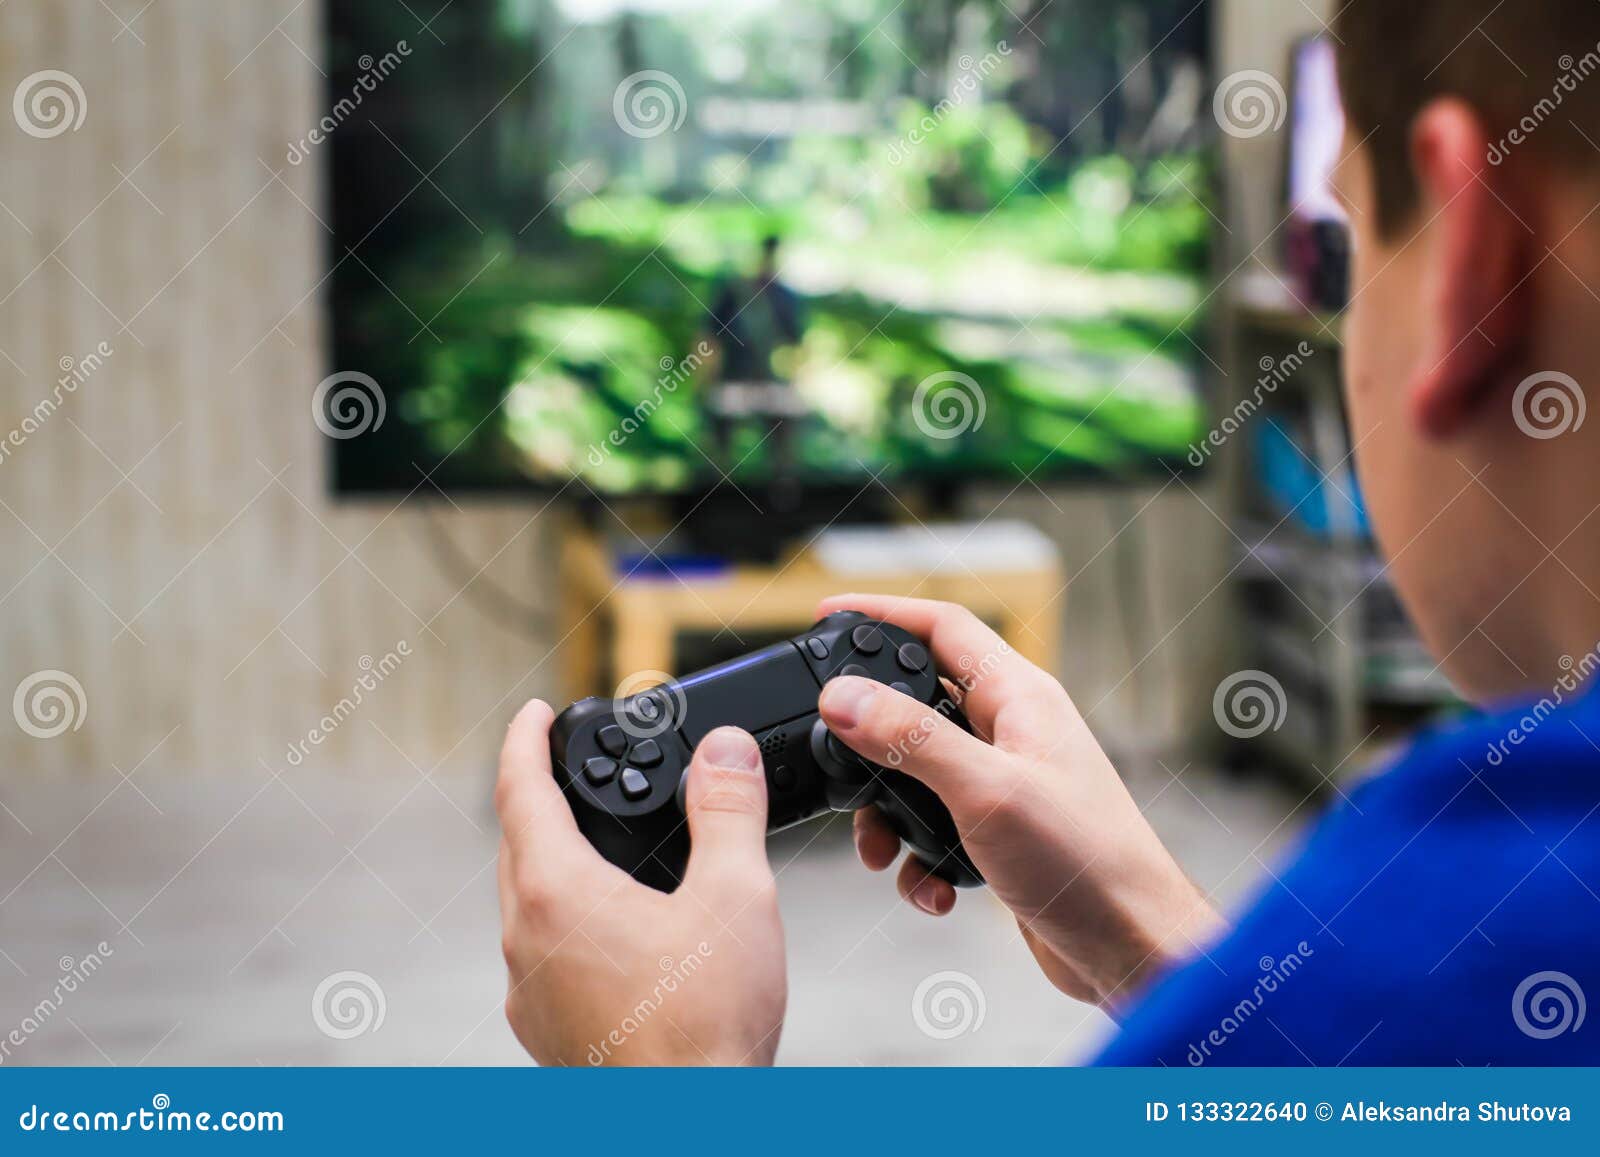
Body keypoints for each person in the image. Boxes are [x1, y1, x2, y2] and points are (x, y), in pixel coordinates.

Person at [493, 0, 1600, 1066]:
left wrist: (668, 1068)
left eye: (1349, 254)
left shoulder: (1467, 908)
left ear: (1471, 258)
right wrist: (1146, 936)